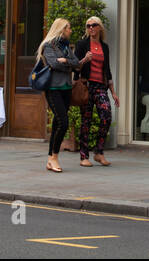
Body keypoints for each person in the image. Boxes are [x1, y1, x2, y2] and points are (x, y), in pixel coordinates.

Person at [75, 16, 119, 166]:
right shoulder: (82, 44)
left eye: (93, 25)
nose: (91, 28)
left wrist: (113, 92)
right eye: (88, 26)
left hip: (101, 87)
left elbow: (108, 71)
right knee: (86, 121)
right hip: (86, 86)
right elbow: (74, 67)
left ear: (99, 27)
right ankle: (83, 156)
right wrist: (84, 60)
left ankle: (99, 152)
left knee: (106, 116)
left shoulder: (104, 47)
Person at [38, 18, 76, 173]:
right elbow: (54, 64)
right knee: (63, 122)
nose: (71, 30)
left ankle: (50, 159)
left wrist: (65, 60)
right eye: (69, 28)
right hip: (53, 88)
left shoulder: (66, 46)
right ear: (61, 29)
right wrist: (68, 63)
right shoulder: (48, 46)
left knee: (57, 123)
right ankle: (54, 156)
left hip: (66, 88)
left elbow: (77, 62)